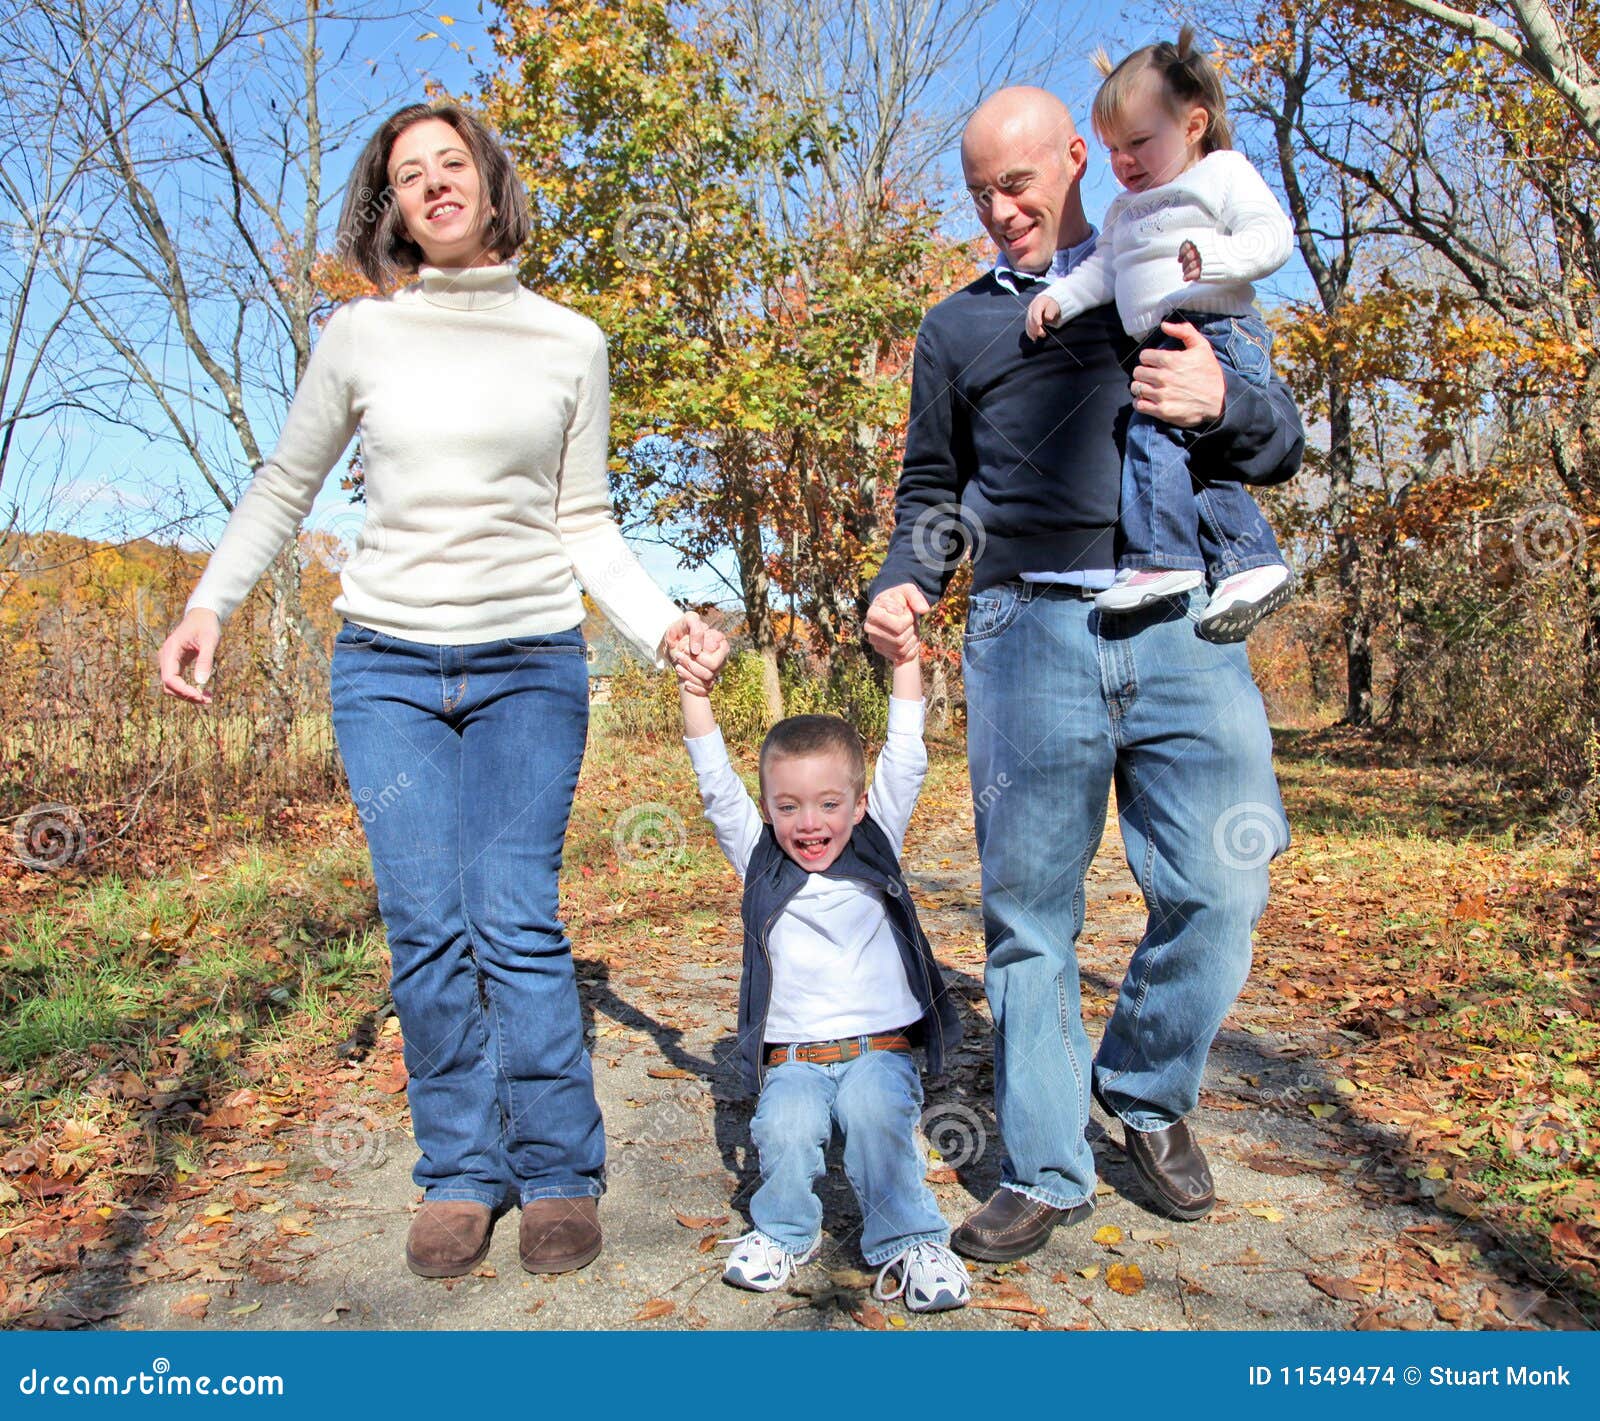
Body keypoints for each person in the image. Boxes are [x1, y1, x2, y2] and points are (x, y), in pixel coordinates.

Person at [157, 100, 720, 1280]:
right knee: (424, 922)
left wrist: (664, 622)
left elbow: (585, 519)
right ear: (394, 209)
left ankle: (557, 1167)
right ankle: (461, 1168)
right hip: (387, 668)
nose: (433, 184)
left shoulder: (568, 340)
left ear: (487, 181)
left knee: (513, 915)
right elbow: (285, 483)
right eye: (408, 174)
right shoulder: (360, 337)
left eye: (450, 162)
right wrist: (211, 602)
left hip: (528, 663)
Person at [865, 85, 1299, 1262]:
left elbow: (1277, 441)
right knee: (1028, 920)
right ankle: (1046, 1165)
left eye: (1016, 183)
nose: (999, 210)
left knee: (1226, 878)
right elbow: (932, 488)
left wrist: (1222, 402)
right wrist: (908, 578)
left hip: (1186, 624)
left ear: (1074, 158)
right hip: (1026, 633)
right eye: (978, 193)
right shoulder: (957, 327)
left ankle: (1145, 1090)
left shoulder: (1169, 267)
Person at [672, 633, 968, 1311]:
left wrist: (905, 662)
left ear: (858, 805)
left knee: (875, 1117)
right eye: (788, 806)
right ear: (768, 808)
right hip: (795, 1057)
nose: (809, 823)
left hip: (879, 1049)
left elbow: (906, 756)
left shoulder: (876, 838)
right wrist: (695, 691)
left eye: (829, 803)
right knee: (783, 1128)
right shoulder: (759, 859)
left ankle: (911, 1239)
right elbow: (716, 784)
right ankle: (783, 1232)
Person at [1024, 29, 1295, 642]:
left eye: (1139, 143)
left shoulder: (1220, 173)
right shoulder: (1125, 210)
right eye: (1114, 149)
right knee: (1189, 459)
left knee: (1150, 431)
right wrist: (1061, 298)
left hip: (1218, 330)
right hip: (1168, 336)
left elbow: (1273, 234)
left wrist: (1218, 258)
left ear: (1194, 125)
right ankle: (1249, 564)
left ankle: (1161, 560)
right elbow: (1103, 270)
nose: (1124, 162)